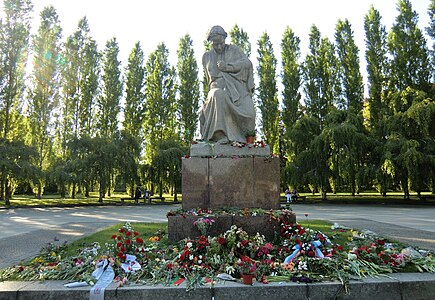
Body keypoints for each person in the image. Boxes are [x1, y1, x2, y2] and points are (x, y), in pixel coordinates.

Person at [199, 25, 256, 144]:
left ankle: (246, 139)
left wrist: (228, 67)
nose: (219, 47)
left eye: (221, 43)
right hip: (217, 90)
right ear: (211, 43)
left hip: (236, 89)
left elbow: (247, 64)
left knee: (249, 112)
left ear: (224, 39)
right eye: (215, 44)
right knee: (217, 94)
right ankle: (220, 135)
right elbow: (210, 81)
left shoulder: (234, 50)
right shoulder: (207, 57)